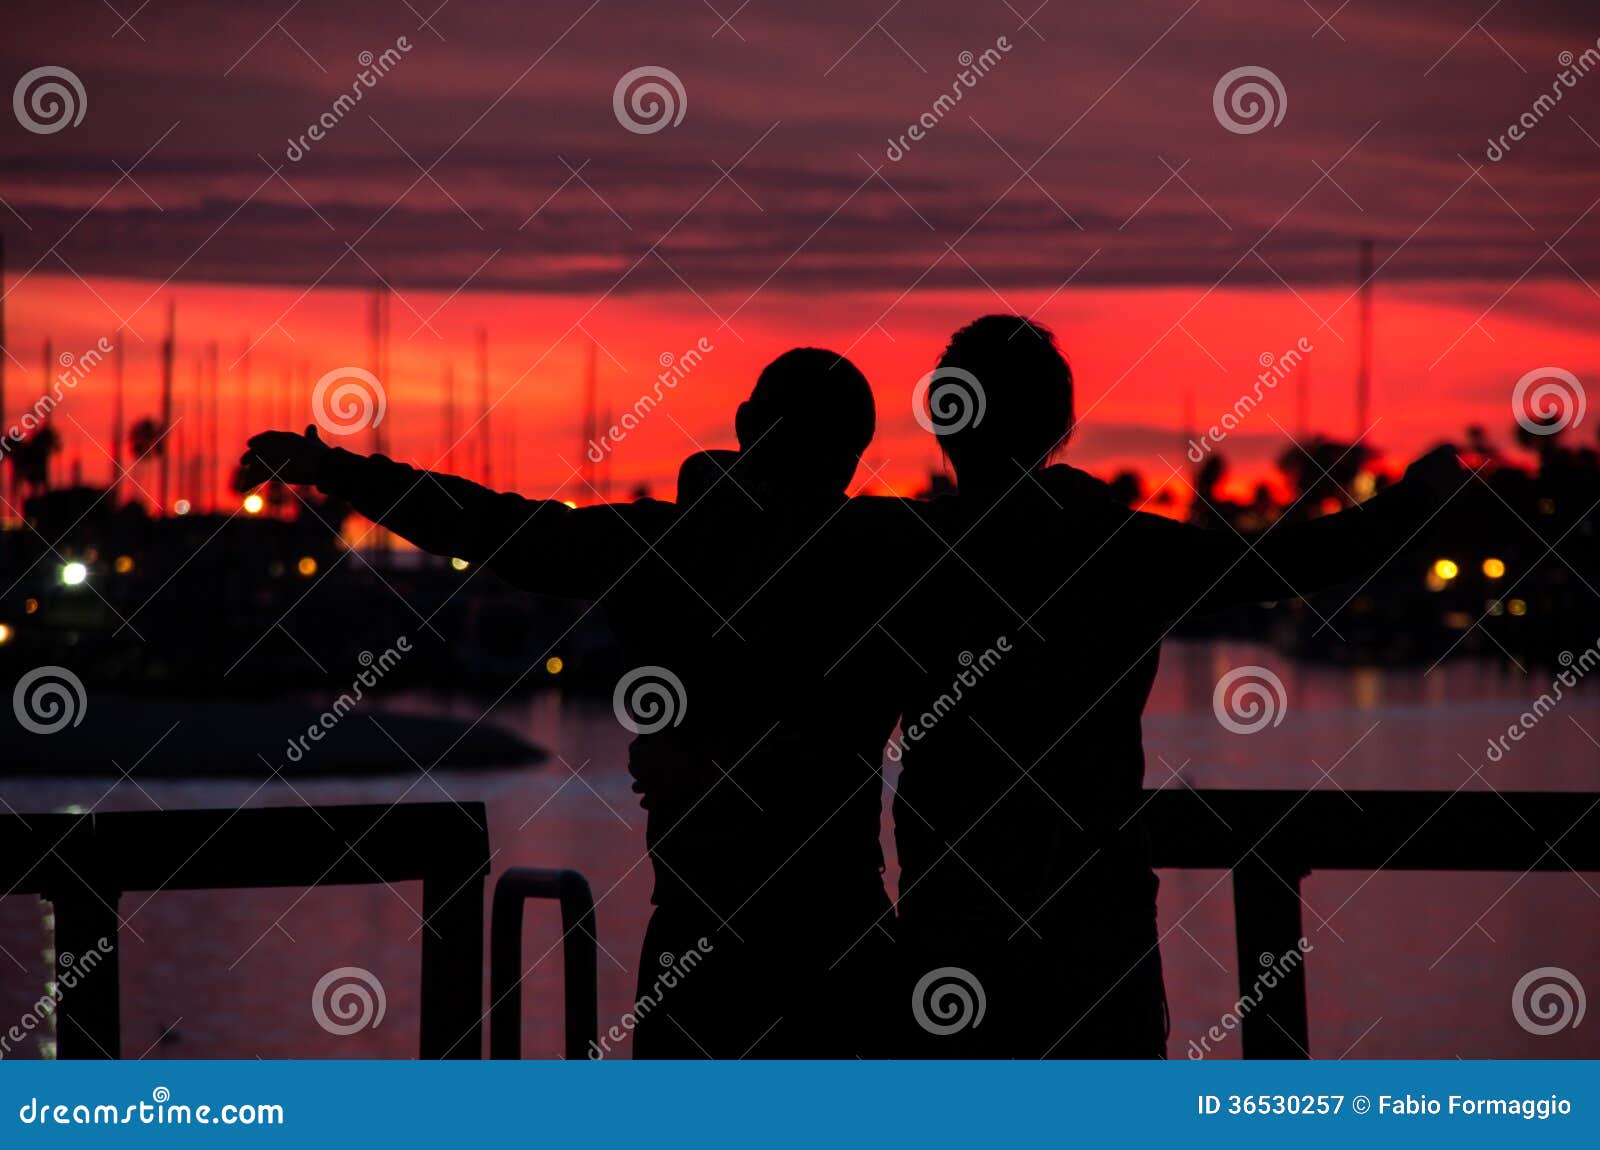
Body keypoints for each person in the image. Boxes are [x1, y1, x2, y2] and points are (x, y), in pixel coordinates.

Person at [241, 349, 921, 1057]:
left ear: (746, 426)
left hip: (702, 937)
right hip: (842, 935)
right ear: (852, 458)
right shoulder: (889, 556)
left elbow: (491, 526)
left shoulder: (663, 550)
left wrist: (338, 472)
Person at [886, 314, 1464, 1058]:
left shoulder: (899, 553)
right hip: (1092, 927)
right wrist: (1411, 506)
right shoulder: (1117, 550)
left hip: (949, 920)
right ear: (1059, 424)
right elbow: (1284, 562)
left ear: (946, 420)